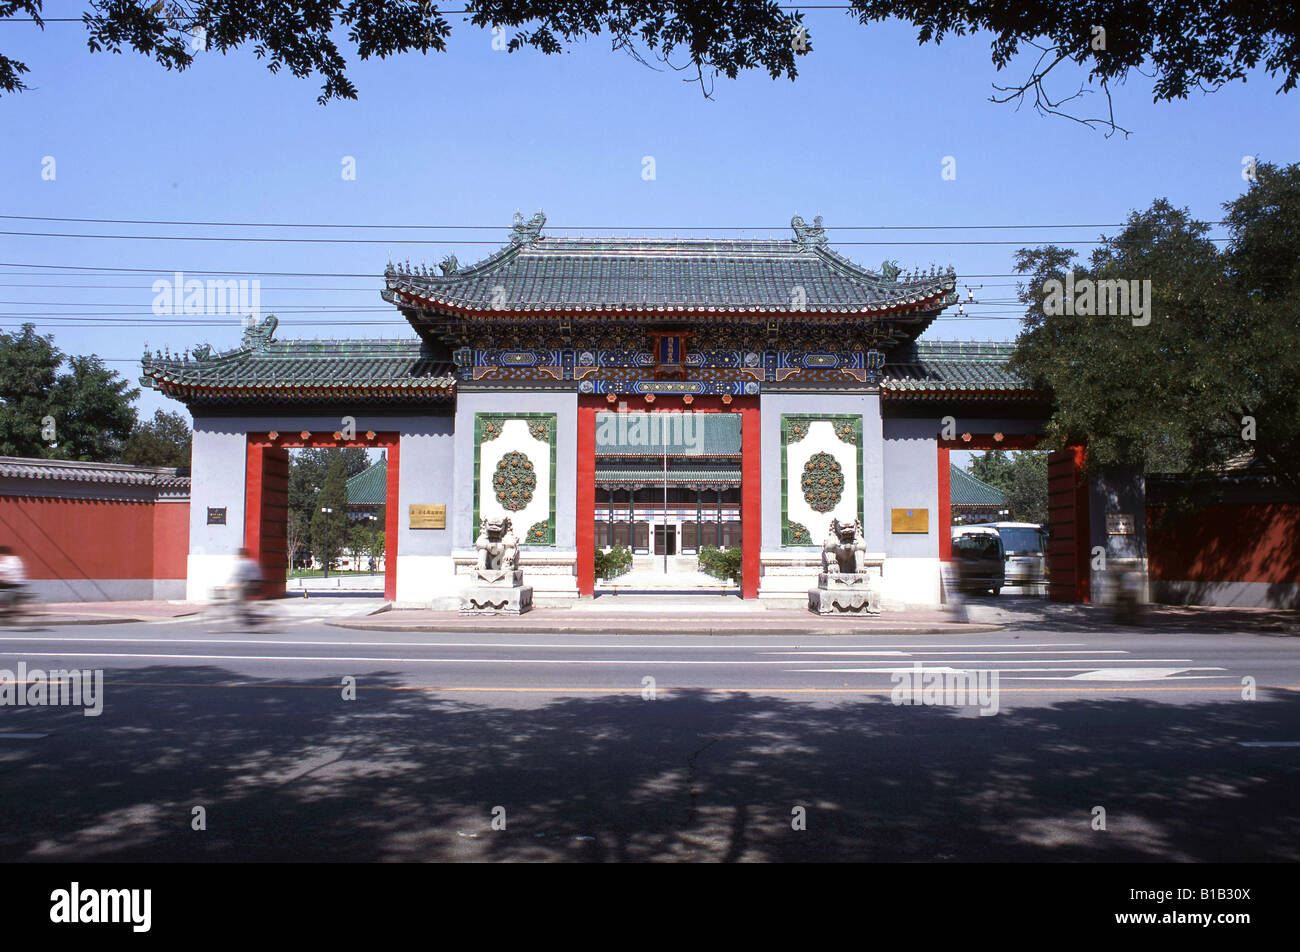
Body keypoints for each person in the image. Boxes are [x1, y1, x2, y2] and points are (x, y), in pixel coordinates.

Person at [230, 548, 263, 623]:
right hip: (256, 582)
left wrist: (229, 585)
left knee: (239, 598)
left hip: (251, 582)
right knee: (242, 599)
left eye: (238, 555)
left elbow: (237, 575)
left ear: (241, 555)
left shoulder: (242, 563)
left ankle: (248, 617)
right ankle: (247, 613)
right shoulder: (251, 562)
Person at [0, 546, 28, 612]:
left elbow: (8, 574)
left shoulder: (8, 560)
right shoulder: (15, 559)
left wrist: (3, 578)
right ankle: (4, 603)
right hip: (17, 582)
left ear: (2, 554)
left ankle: (3, 603)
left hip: (12, 582)